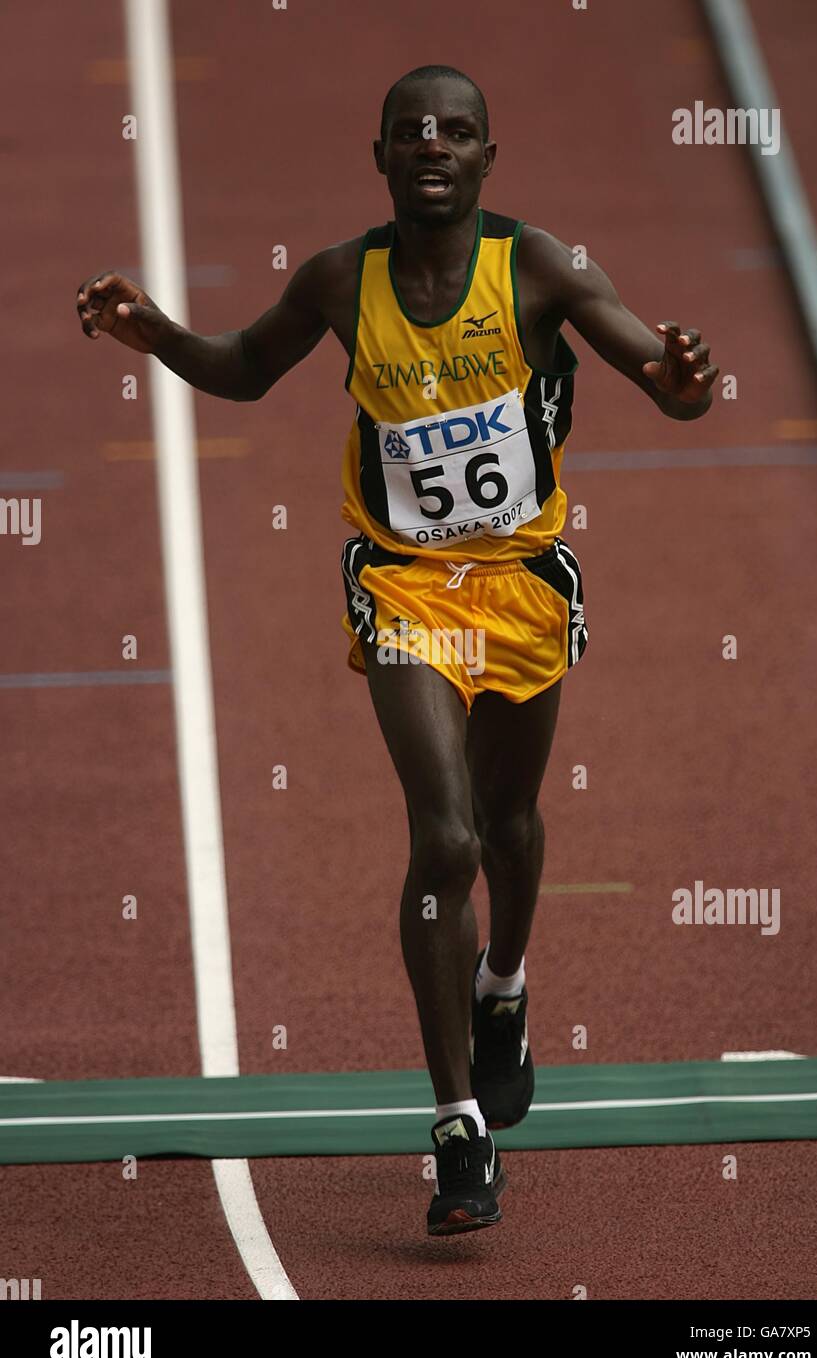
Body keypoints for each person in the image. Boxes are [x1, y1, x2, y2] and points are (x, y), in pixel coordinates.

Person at [77, 64, 717, 1238]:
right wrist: (151, 329)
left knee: (515, 825)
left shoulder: (540, 269)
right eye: (411, 133)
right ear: (380, 157)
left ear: (487, 159)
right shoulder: (339, 280)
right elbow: (243, 368)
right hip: (404, 582)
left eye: (457, 133)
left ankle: (505, 989)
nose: (434, 146)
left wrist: (684, 385)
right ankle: (457, 1125)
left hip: (521, 583)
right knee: (449, 834)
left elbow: (659, 374)